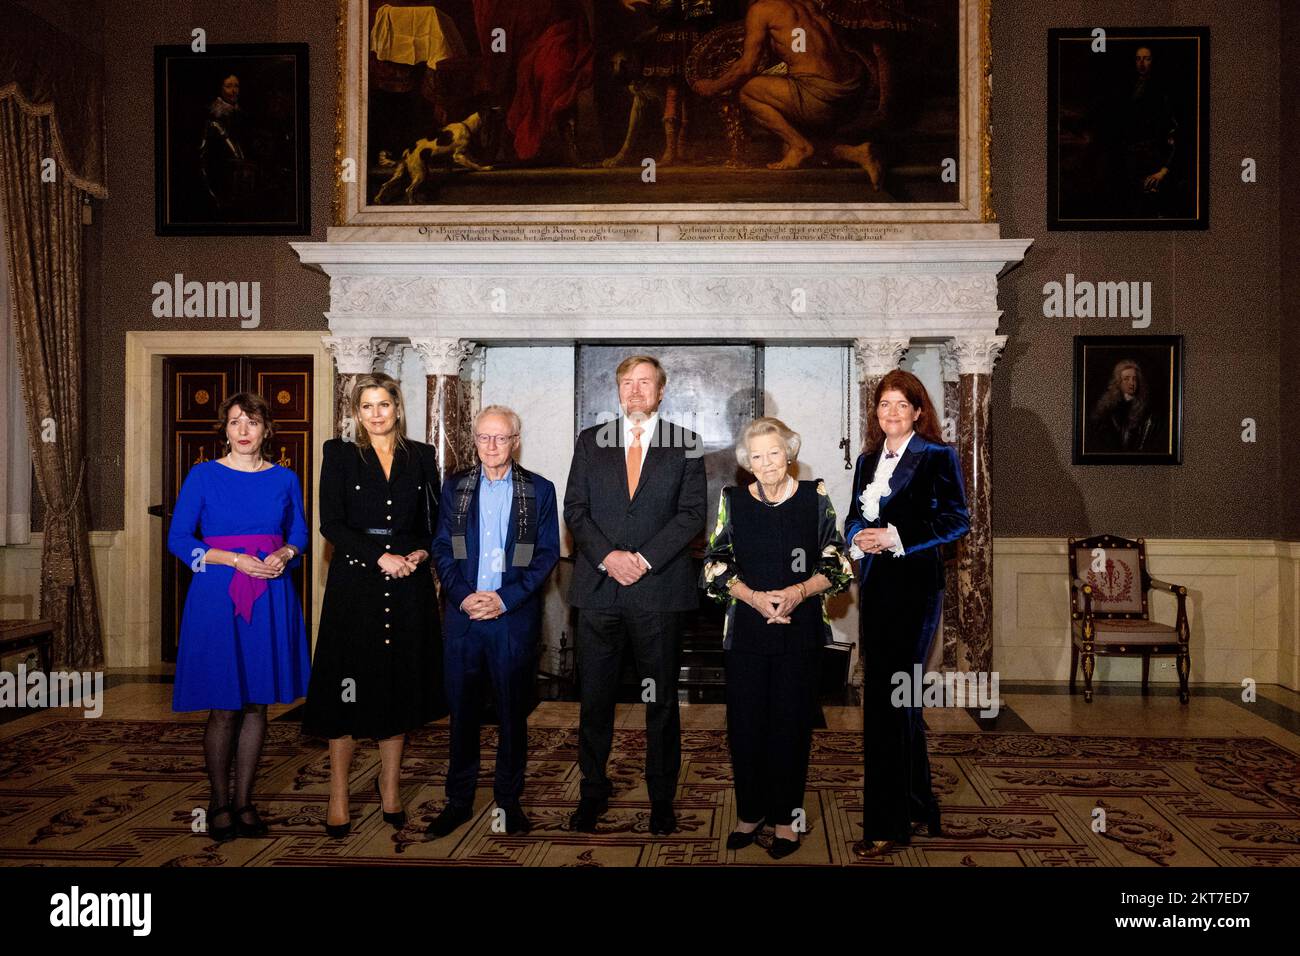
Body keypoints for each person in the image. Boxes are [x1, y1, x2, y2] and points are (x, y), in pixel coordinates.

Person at [564, 355, 707, 835]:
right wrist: (611, 558)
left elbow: (691, 515)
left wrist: (641, 560)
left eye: (645, 383)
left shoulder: (685, 445)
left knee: (661, 702)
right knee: (595, 699)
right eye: (627, 383)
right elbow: (576, 510)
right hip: (599, 590)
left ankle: (661, 798)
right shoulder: (591, 442)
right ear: (618, 391)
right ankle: (592, 791)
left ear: (661, 392)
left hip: (659, 591)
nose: (635, 390)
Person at [701, 417, 852, 859]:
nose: (766, 463)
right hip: (746, 629)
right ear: (748, 463)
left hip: (800, 629)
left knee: (790, 726)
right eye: (757, 456)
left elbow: (839, 562)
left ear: (789, 453)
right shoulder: (733, 500)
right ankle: (750, 813)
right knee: (745, 726)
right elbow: (714, 563)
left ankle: (787, 818)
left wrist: (796, 593)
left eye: (774, 453)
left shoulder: (813, 497)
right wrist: (752, 597)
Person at [302, 373, 444, 838]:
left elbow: (433, 524)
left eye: (384, 404)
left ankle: (390, 786)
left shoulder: (421, 457)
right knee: (346, 687)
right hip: (355, 585)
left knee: (396, 687)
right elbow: (331, 524)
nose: (376, 414)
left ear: (397, 408)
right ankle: (339, 793)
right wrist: (378, 556)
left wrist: (420, 554)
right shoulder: (338, 454)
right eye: (367, 406)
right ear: (356, 413)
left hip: (408, 585)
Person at [168, 393, 310, 842]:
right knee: (225, 705)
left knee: (256, 703)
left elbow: (300, 533)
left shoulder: (285, 478)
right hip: (217, 595)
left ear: (267, 430)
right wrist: (232, 559)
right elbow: (177, 538)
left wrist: (286, 553)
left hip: (270, 591)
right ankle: (218, 801)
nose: (243, 430)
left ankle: (245, 801)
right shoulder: (203, 475)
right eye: (234, 423)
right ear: (224, 430)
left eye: (252, 422)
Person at [844, 369, 969, 860]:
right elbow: (855, 512)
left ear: (918, 411)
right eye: (883, 405)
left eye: (900, 404)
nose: (890, 413)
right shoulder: (867, 460)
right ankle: (920, 805)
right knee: (898, 700)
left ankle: (886, 824)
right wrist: (858, 534)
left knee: (887, 703)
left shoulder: (938, 456)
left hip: (916, 593)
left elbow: (957, 519)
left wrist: (896, 537)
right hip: (874, 589)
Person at [426, 405, 560, 838]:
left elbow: (545, 557)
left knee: (511, 714)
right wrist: (464, 598)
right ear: (475, 440)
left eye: (501, 438)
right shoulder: (456, 487)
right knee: (461, 714)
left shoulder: (538, 490)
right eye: (484, 437)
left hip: (511, 619)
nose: (491, 446)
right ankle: (458, 800)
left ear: (515, 441)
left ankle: (509, 800)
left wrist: (504, 600)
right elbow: (442, 549)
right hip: (463, 619)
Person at [691, 0, 863, 169]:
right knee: (786, 148)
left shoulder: (763, 9)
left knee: (744, 90)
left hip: (821, 97)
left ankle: (799, 145)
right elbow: (802, 48)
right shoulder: (810, 4)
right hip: (852, 94)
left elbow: (746, 68)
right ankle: (857, 153)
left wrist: (712, 87)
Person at [1088, 358, 1162, 453]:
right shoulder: (1108, 408)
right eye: (1126, 379)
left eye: (1134, 379)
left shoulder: (1146, 411)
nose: (1131, 383)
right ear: (1118, 382)